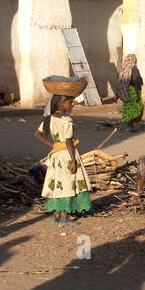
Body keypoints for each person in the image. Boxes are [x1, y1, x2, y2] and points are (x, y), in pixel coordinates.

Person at [36, 94, 92, 223]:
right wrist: (73, 160)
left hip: (56, 155)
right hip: (67, 154)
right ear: (62, 104)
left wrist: (54, 145)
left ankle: (56, 214)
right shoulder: (67, 120)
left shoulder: (49, 119)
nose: (72, 105)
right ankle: (64, 217)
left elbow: (38, 134)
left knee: (57, 183)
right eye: (70, 102)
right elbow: (68, 142)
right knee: (68, 183)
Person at [116, 54, 144, 131]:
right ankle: (130, 124)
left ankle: (129, 125)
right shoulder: (134, 69)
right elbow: (135, 80)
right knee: (138, 108)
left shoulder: (125, 70)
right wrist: (137, 95)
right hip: (133, 92)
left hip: (127, 92)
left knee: (129, 109)